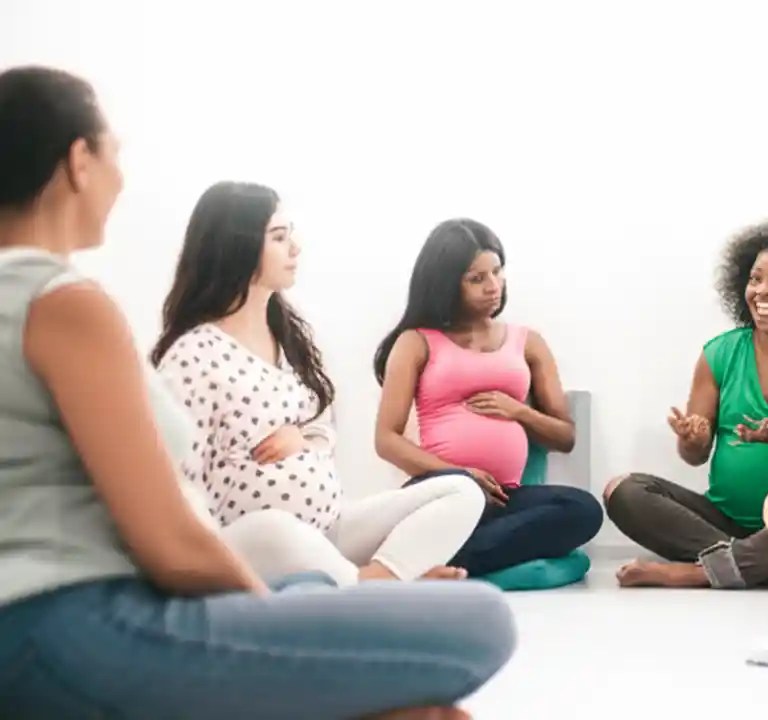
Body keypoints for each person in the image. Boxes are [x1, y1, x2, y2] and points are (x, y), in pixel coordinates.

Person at [0, 66, 511, 718]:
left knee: (416, 706)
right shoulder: (65, 304)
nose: (121, 178)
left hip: (52, 624)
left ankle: (321, 602)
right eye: (115, 153)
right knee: (482, 620)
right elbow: (166, 538)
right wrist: (278, 640)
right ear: (78, 161)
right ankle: (322, 602)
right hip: (69, 625)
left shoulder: (32, 301)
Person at [154, 181, 484, 587]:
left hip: (329, 526)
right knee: (275, 528)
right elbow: (178, 481)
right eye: (279, 237)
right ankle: (380, 584)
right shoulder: (193, 357)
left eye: (290, 235)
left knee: (462, 492)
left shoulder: (288, 338)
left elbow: (321, 429)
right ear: (235, 248)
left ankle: (375, 580)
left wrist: (303, 441)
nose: (296, 248)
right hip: (251, 540)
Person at [603, 215, 768, 589]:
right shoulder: (720, 353)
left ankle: (696, 573)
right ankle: (754, 561)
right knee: (623, 490)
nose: (762, 291)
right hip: (719, 520)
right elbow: (695, 455)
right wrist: (691, 439)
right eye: (755, 278)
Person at [373, 218, 603, 577]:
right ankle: (445, 552)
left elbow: (565, 437)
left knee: (584, 510)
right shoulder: (416, 342)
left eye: (497, 272)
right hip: (442, 490)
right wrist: (459, 474)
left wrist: (520, 412)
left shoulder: (528, 341)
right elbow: (386, 440)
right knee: (439, 514)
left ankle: (442, 558)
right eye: (476, 278)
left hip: (506, 497)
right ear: (447, 284)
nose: (493, 286)